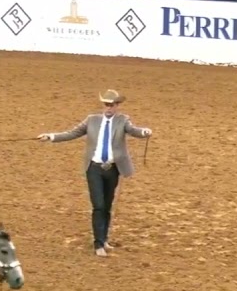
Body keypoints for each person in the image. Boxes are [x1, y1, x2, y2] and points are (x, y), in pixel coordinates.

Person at [37, 89, 153, 257]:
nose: (108, 108)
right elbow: (72, 133)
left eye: (112, 105)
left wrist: (144, 132)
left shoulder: (123, 120)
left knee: (107, 205)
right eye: (106, 105)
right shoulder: (91, 120)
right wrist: (51, 137)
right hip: (94, 168)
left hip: (112, 169)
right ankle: (98, 243)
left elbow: (134, 130)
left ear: (117, 105)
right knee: (98, 205)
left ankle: (104, 239)